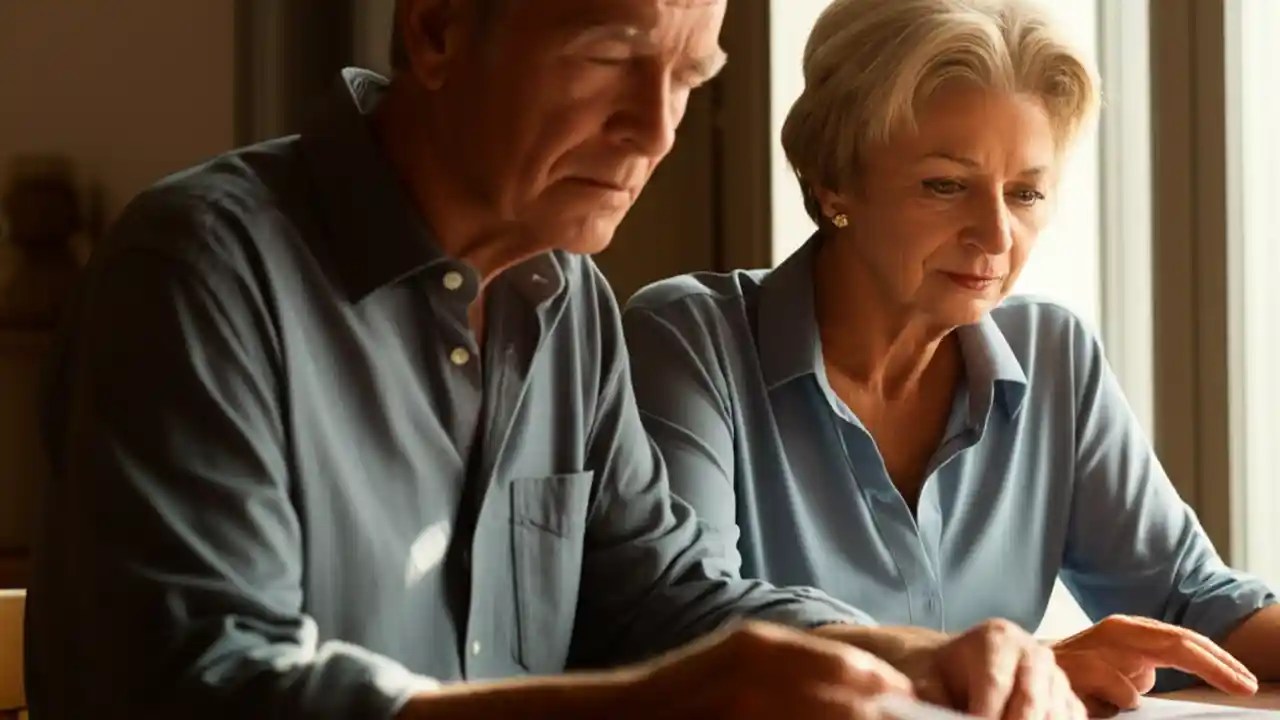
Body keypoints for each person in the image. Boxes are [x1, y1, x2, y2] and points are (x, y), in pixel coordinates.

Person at [24, 1, 1090, 719]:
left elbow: (662, 589)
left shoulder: (567, 301)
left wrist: (901, 652)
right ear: (438, 31)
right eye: (610, 57)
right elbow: (209, 689)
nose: (653, 130)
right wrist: (650, 706)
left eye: (687, 78)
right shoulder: (201, 271)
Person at [623, 0, 1279, 716]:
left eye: (1026, 192)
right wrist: (1001, 671)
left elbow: (1194, 606)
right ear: (830, 178)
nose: (996, 234)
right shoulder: (688, 339)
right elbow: (693, 624)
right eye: (946, 185)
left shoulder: (1053, 356)